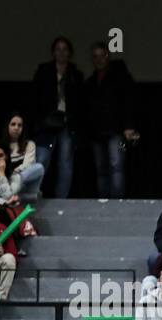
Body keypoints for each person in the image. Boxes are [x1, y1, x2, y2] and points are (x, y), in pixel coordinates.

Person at [83, 41, 139, 199]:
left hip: (117, 132)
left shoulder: (120, 77)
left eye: (103, 55)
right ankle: (104, 201)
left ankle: (117, 202)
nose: (99, 59)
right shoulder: (90, 83)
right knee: (101, 169)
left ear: (108, 57)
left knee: (117, 165)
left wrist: (129, 126)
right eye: (96, 56)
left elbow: (129, 102)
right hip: (96, 133)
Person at [31, 36, 83, 198]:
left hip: (67, 123)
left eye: (65, 49)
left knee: (65, 162)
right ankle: (33, 194)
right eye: (58, 49)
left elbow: (80, 102)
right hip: (47, 123)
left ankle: (62, 200)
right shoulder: (44, 71)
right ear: (53, 52)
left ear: (70, 53)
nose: (61, 53)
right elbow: (35, 98)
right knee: (41, 159)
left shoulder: (75, 74)